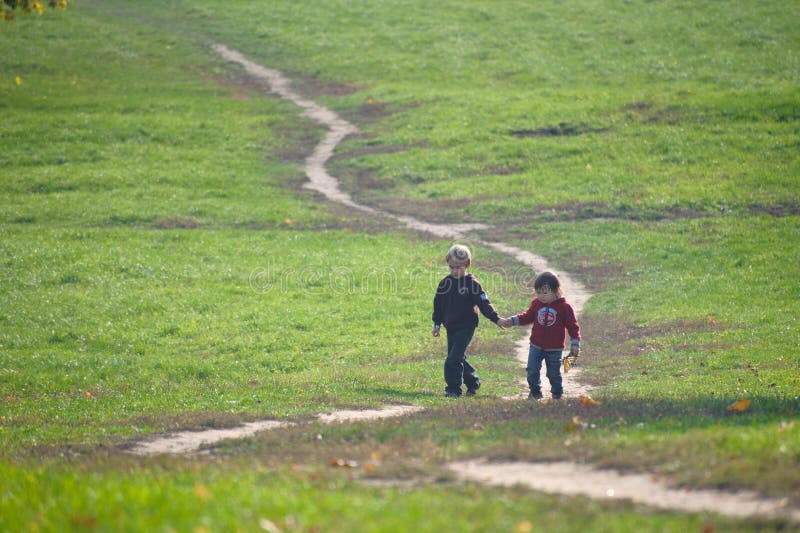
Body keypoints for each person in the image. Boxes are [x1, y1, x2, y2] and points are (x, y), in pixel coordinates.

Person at [432, 244, 505, 397]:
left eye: (459, 267)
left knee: (452, 359)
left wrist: (496, 318)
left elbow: (484, 303)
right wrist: (437, 324)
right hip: (450, 327)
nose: (455, 271)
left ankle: (453, 389)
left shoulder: (472, 284)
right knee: (458, 358)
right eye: (451, 267)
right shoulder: (445, 283)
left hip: (466, 327)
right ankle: (473, 382)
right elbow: (438, 305)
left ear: (467, 265)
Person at [498, 271, 580, 400]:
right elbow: (527, 316)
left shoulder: (564, 307)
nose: (541, 296)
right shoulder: (536, 304)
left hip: (554, 348)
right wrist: (512, 321)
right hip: (536, 345)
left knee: (553, 373)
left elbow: (573, 327)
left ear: (556, 291)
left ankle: (557, 393)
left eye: (545, 292)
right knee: (532, 369)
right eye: (538, 292)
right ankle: (535, 391)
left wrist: (575, 343)